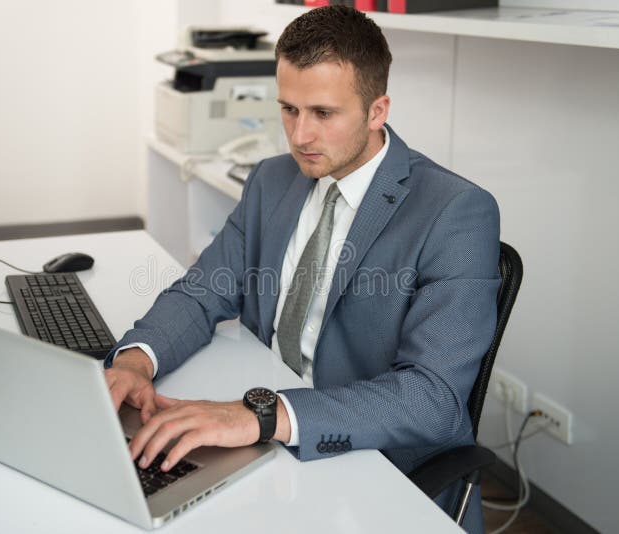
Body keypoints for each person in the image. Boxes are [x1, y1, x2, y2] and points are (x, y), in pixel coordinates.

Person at [105, 6, 499, 532]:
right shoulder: (272, 180)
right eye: (288, 109)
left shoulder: (454, 212)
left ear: (377, 110)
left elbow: (433, 399)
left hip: (369, 463)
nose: (300, 136)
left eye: (323, 113)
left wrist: (261, 415)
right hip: (267, 444)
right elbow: (204, 289)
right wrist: (136, 361)